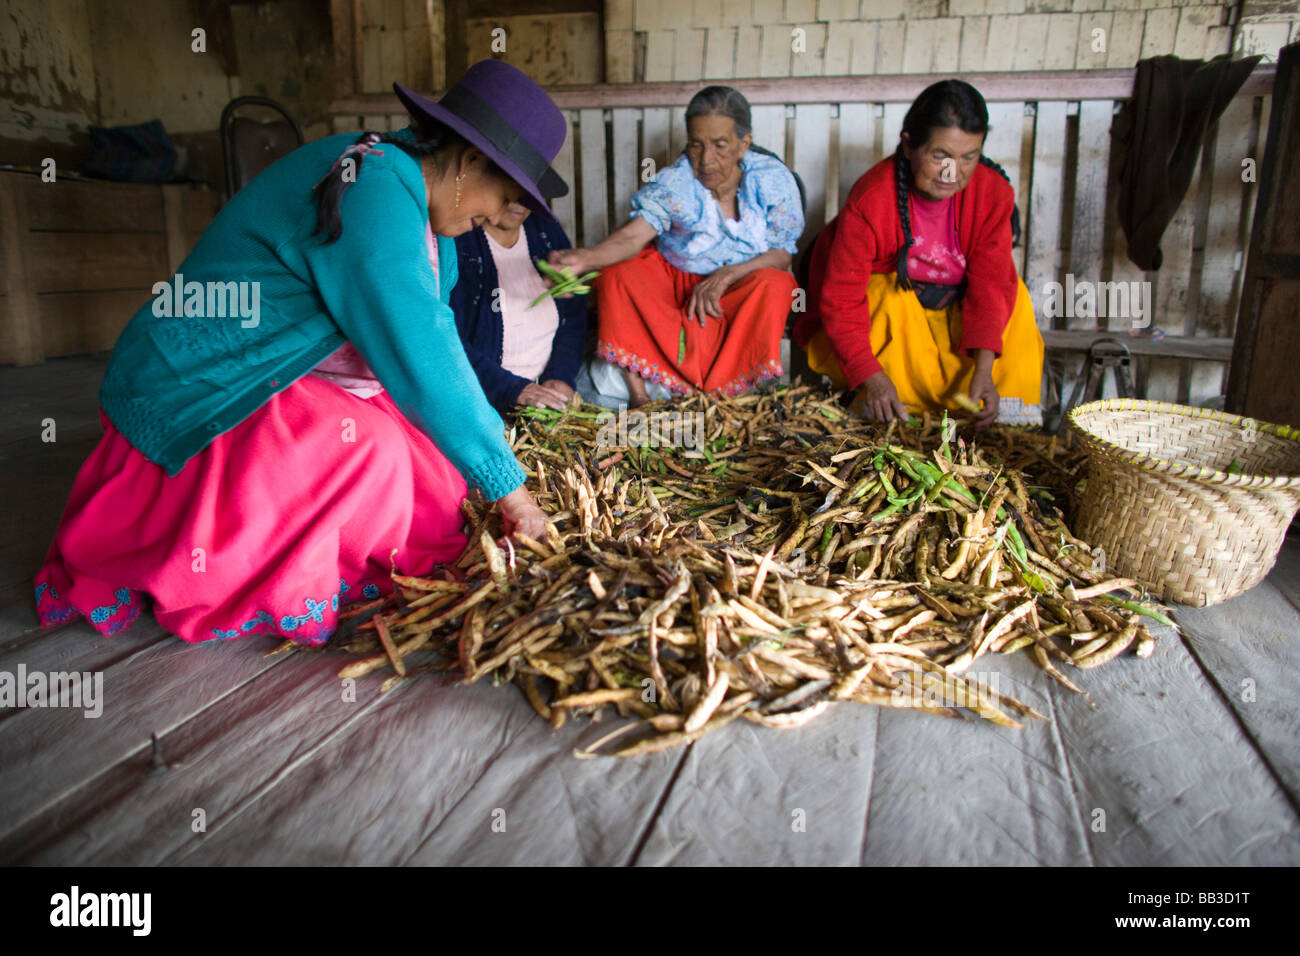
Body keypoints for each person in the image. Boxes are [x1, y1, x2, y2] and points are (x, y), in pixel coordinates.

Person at [32, 60, 568, 646]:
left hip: (290, 368)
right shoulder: (377, 187)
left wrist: (490, 468)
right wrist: (512, 488)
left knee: (441, 480)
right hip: (210, 380)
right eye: (505, 197)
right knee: (373, 449)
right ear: (469, 163)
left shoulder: (424, 206)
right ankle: (247, 564)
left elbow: (433, 338)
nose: (497, 217)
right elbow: (418, 349)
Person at [793, 79, 1044, 427]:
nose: (951, 173)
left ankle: (999, 418)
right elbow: (842, 299)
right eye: (940, 155)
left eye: (968, 157)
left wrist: (985, 370)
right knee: (885, 295)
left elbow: (992, 284)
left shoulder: (993, 192)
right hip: (895, 331)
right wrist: (873, 378)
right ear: (909, 146)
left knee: (1016, 298)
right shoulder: (872, 198)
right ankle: (895, 409)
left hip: (956, 320)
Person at [556, 86, 804, 408]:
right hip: (674, 284)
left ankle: (730, 398)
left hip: (738, 286)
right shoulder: (677, 183)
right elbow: (633, 237)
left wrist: (728, 275)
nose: (705, 159)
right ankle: (640, 396)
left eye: (720, 145)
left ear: (744, 144)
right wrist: (583, 259)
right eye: (696, 145)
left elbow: (783, 254)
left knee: (778, 284)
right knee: (618, 274)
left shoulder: (771, 180)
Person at [450, 200, 587, 415]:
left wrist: (560, 376)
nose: (521, 203)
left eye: (528, 194)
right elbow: (448, 341)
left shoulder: (545, 231)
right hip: (482, 403)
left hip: (545, 400)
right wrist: (511, 389)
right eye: (510, 191)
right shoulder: (460, 242)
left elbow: (574, 318)